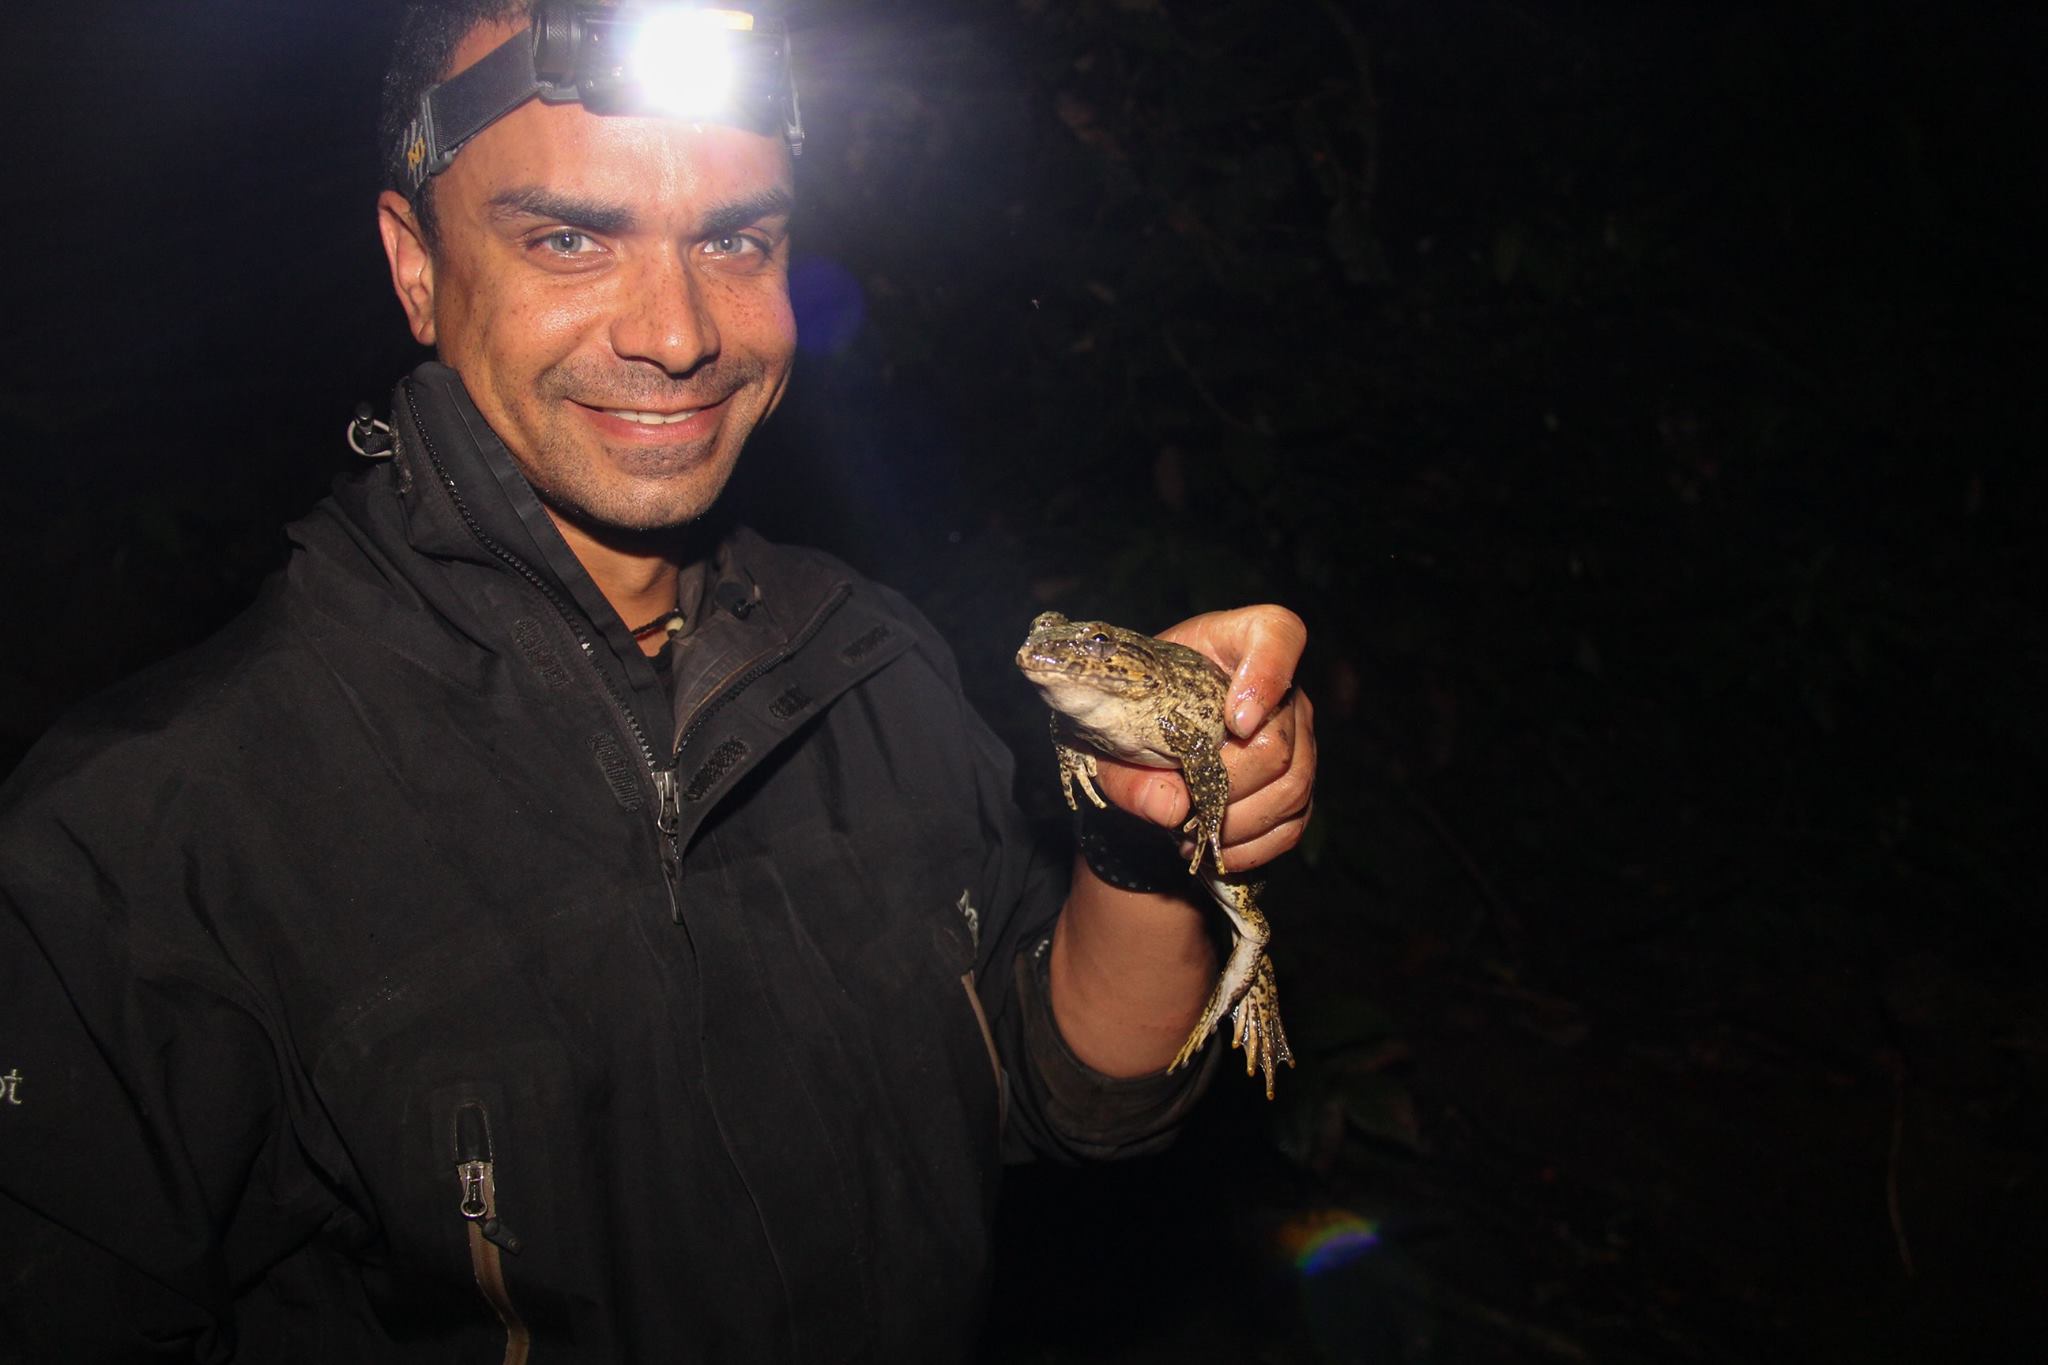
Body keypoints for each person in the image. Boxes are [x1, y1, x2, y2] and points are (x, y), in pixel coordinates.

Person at [0, 2, 1315, 1359]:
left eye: (734, 238)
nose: (679, 332)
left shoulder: (874, 664)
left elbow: (1064, 1091)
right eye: (570, 236)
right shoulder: (142, 843)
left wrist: (1149, 835)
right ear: (416, 263)